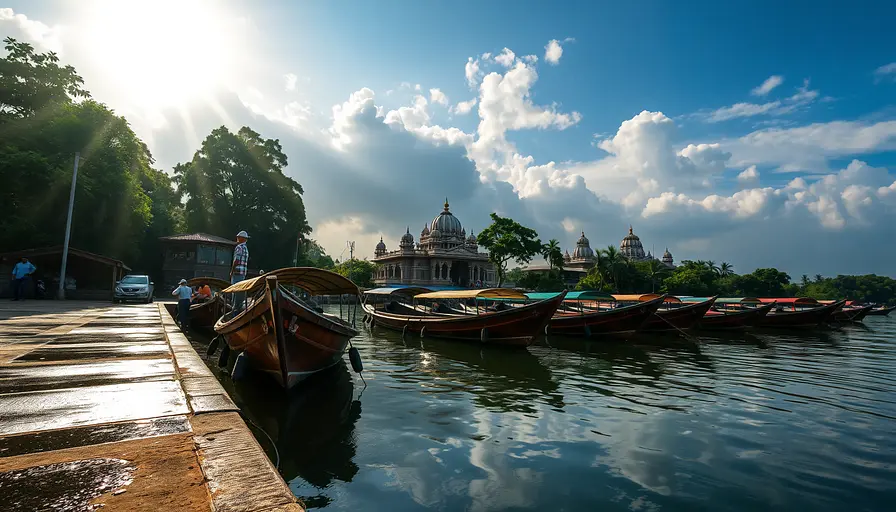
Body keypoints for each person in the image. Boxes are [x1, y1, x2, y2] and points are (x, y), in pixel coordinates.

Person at [230, 230, 250, 312]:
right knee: (240, 292)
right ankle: (238, 309)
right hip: (243, 273)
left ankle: (234, 311)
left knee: (235, 291)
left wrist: (232, 271)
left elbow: (236, 260)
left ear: (242, 239)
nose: (237, 238)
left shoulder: (239, 247)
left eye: (238, 237)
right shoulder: (245, 248)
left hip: (237, 272)